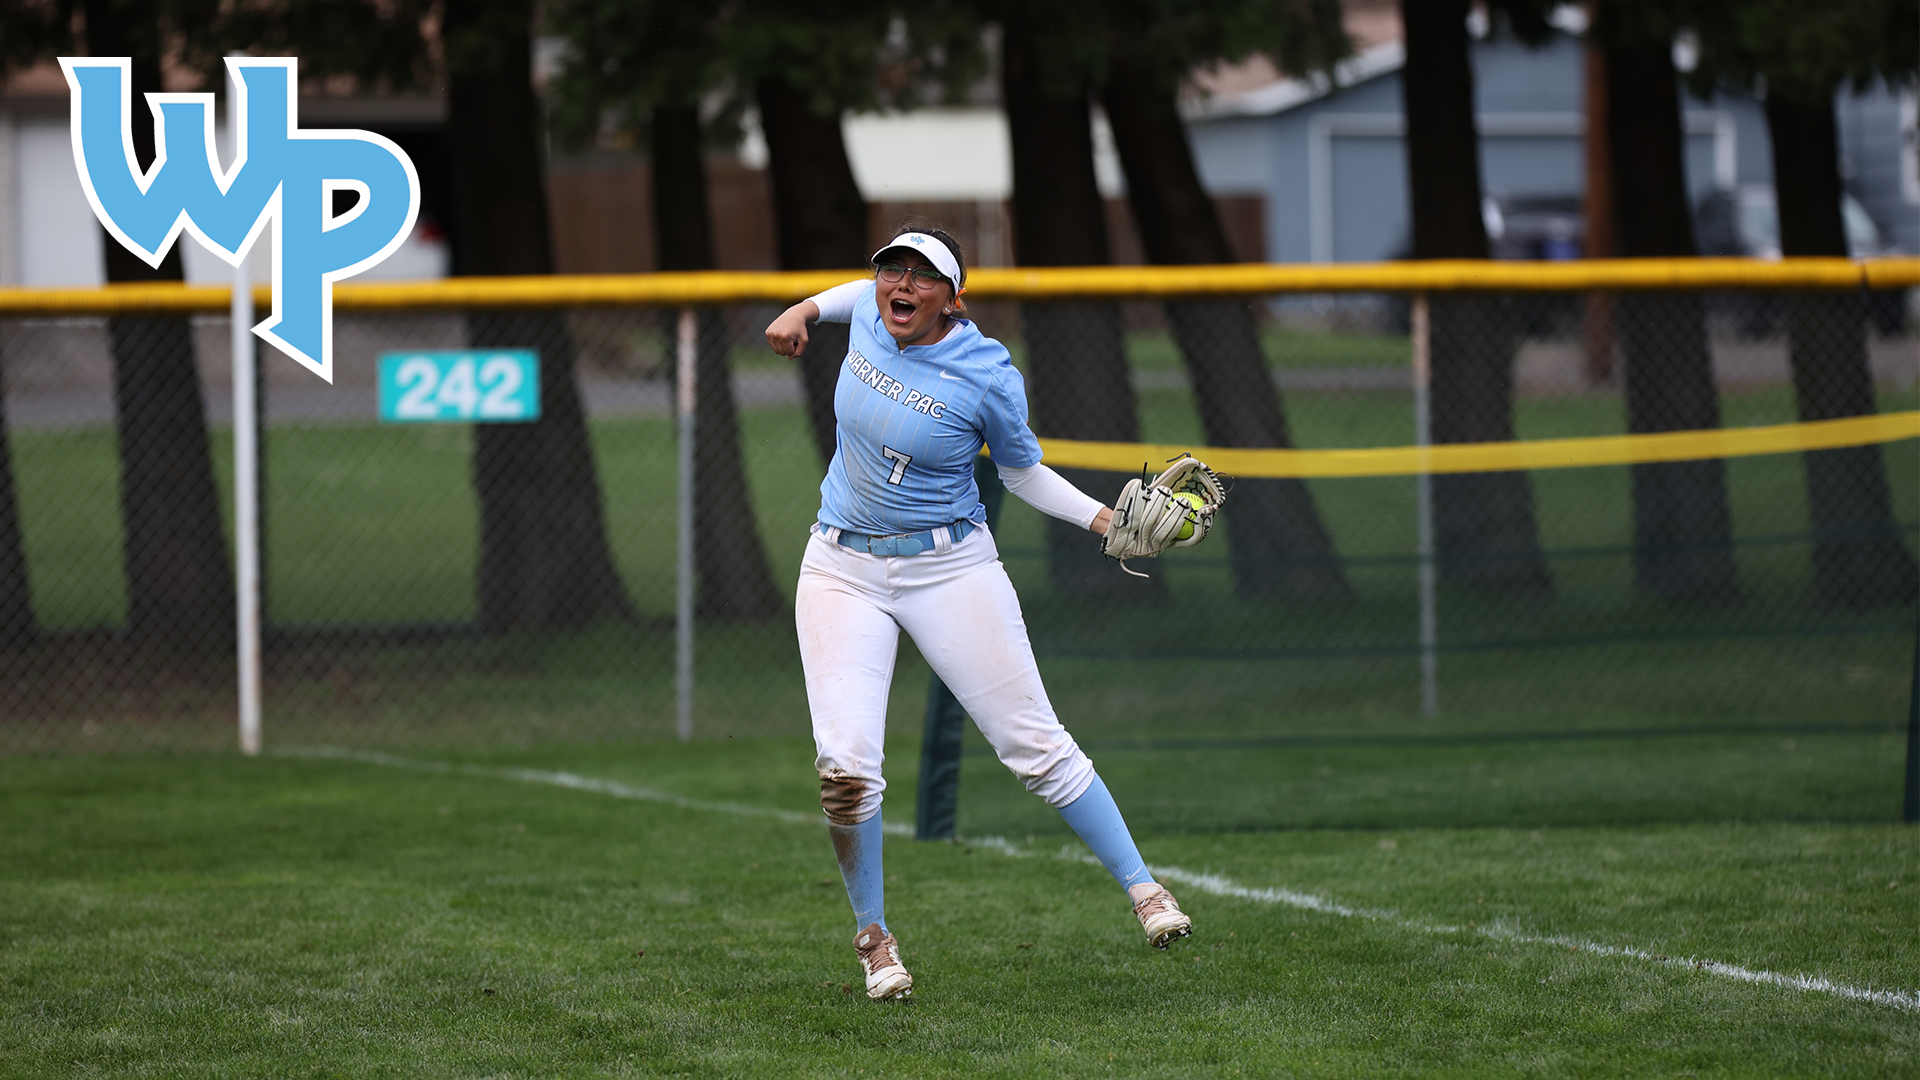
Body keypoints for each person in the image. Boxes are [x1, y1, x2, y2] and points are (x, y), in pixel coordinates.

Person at [764, 228, 1192, 1002]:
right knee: (846, 767)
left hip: (947, 566)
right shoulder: (870, 306)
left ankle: (1146, 891)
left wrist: (1107, 523)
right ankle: (874, 939)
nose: (901, 283)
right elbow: (844, 297)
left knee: (1034, 746)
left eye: (922, 276)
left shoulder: (987, 373)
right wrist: (799, 311)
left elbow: (1022, 473)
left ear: (951, 298)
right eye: (893, 267)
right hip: (841, 565)